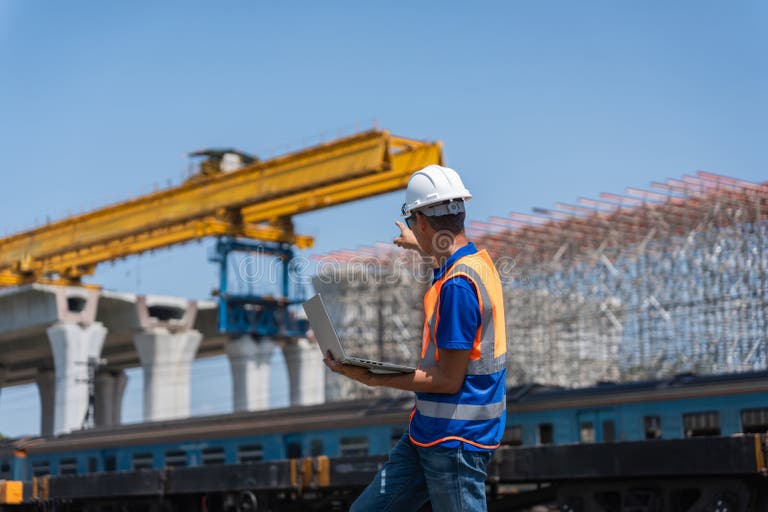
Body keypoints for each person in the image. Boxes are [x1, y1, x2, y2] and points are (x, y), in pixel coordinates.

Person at [324, 164, 507, 512]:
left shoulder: (457, 286)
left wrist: (372, 377)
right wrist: (422, 247)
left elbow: (448, 380)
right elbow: (448, 258)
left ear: (421, 222)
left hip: (455, 440)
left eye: (413, 222)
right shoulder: (477, 265)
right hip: (428, 433)